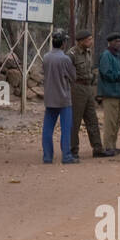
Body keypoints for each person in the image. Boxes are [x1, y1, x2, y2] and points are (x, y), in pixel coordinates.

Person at [41, 30, 78, 164]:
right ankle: (66, 156)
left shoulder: (46, 57)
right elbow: (73, 77)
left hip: (49, 98)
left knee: (47, 129)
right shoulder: (65, 59)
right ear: (63, 43)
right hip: (63, 98)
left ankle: (47, 156)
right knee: (66, 129)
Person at [70, 29, 107, 159]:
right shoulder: (72, 54)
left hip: (88, 88)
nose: (91, 42)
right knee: (75, 121)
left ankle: (97, 148)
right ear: (81, 41)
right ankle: (72, 150)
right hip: (77, 88)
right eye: (88, 40)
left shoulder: (88, 53)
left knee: (92, 119)